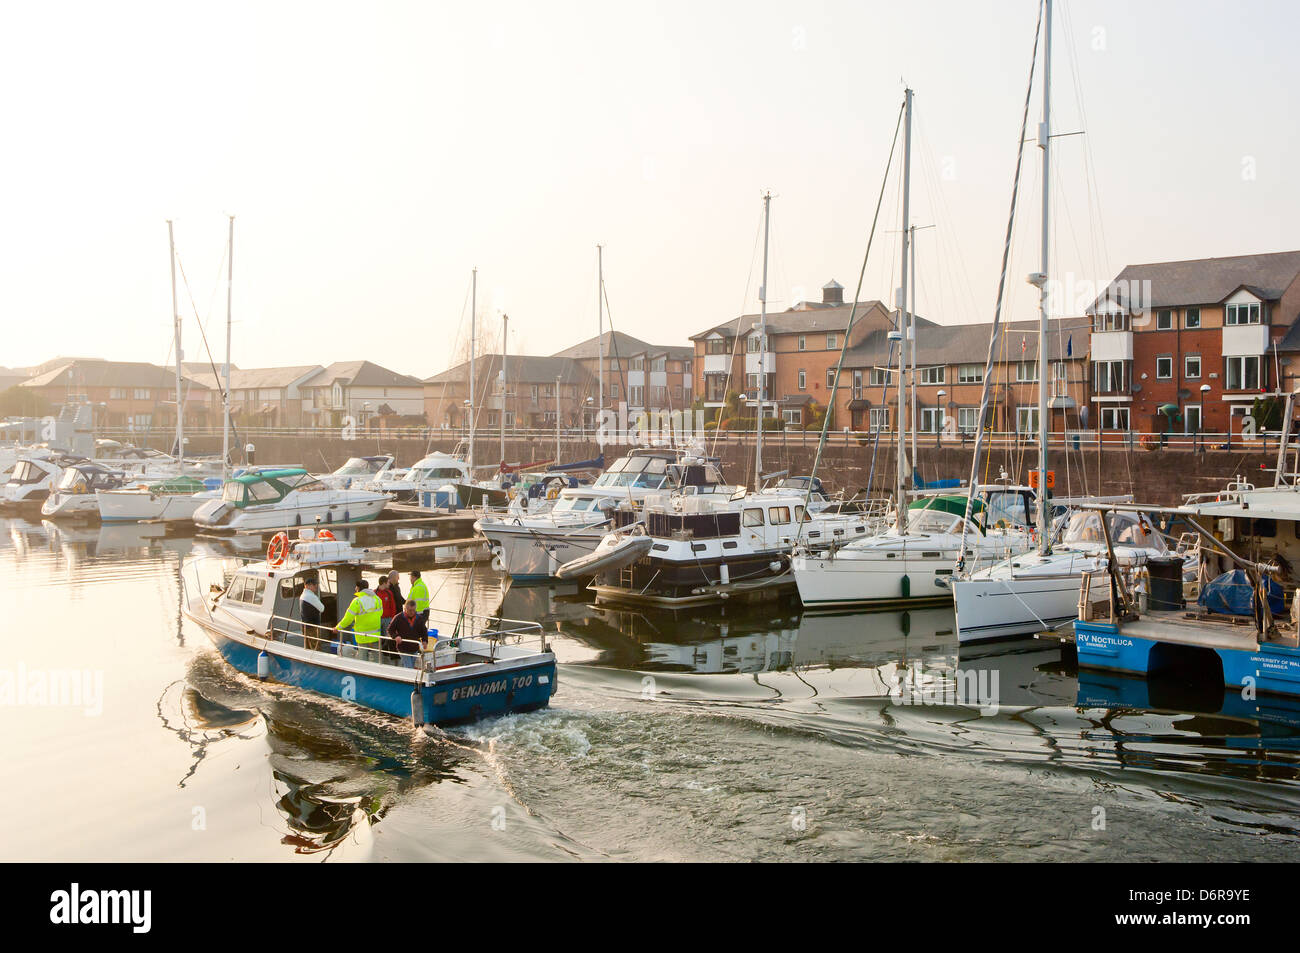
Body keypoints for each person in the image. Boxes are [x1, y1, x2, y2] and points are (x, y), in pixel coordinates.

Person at [336, 579, 382, 662]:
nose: (355, 588)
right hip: (375, 634)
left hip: (362, 634)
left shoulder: (357, 601)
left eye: (356, 587)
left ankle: (363, 671)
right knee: (377, 657)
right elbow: (380, 613)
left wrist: (338, 628)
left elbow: (348, 618)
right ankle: (377, 671)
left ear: (358, 588)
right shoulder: (377, 599)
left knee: (362, 657)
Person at [386, 599, 428, 668]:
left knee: (411, 665)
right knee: (409, 667)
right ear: (405, 609)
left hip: (414, 648)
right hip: (403, 648)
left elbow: (424, 631)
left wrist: (425, 641)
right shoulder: (398, 618)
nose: (412, 612)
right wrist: (396, 636)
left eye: (413, 610)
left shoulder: (419, 618)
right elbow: (390, 629)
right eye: (409, 610)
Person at [300, 577, 325, 651]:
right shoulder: (311, 596)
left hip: (305, 625)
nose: (316, 586)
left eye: (316, 584)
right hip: (312, 627)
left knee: (307, 647)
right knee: (316, 647)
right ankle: (319, 661)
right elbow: (322, 608)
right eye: (314, 585)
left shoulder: (303, 595)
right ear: (307, 586)